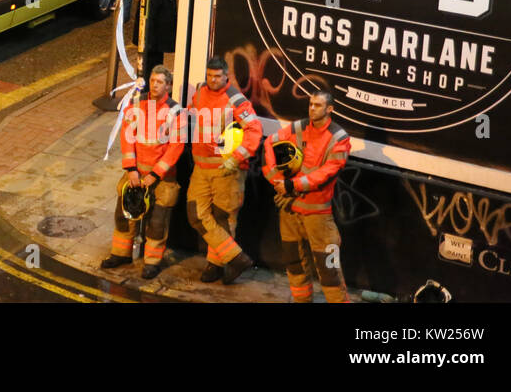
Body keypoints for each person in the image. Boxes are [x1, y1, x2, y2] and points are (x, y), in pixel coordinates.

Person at [262, 90, 352, 303]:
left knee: (329, 270)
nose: (312, 108)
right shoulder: (298, 127)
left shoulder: (339, 138)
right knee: (294, 263)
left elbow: (327, 173)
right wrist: (278, 181)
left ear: (330, 109)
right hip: (290, 210)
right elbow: (269, 144)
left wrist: (291, 185)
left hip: (318, 216)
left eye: (318, 105)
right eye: (311, 104)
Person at [101, 65, 185, 279]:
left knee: (157, 223)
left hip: (162, 178)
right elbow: (127, 137)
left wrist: (155, 175)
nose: (155, 85)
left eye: (160, 82)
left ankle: (151, 262)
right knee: (123, 215)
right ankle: (121, 254)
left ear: (168, 85)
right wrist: (131, 170)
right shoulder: (136, 104)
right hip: (136, 173)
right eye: (152, 80)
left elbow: (176, 146)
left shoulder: (176, 112)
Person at [186, 56, 262, 284]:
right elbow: (193, 113)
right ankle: (236, 257)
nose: (212, 79)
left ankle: (216, 264)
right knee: (196, 215)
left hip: (225, 169)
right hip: (201, 167)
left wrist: (236, 158)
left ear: (226, 76)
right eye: (209, 75)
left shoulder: (236, 100)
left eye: (217, 76)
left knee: (223, 219)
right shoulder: (200, 92)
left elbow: (254, 130)